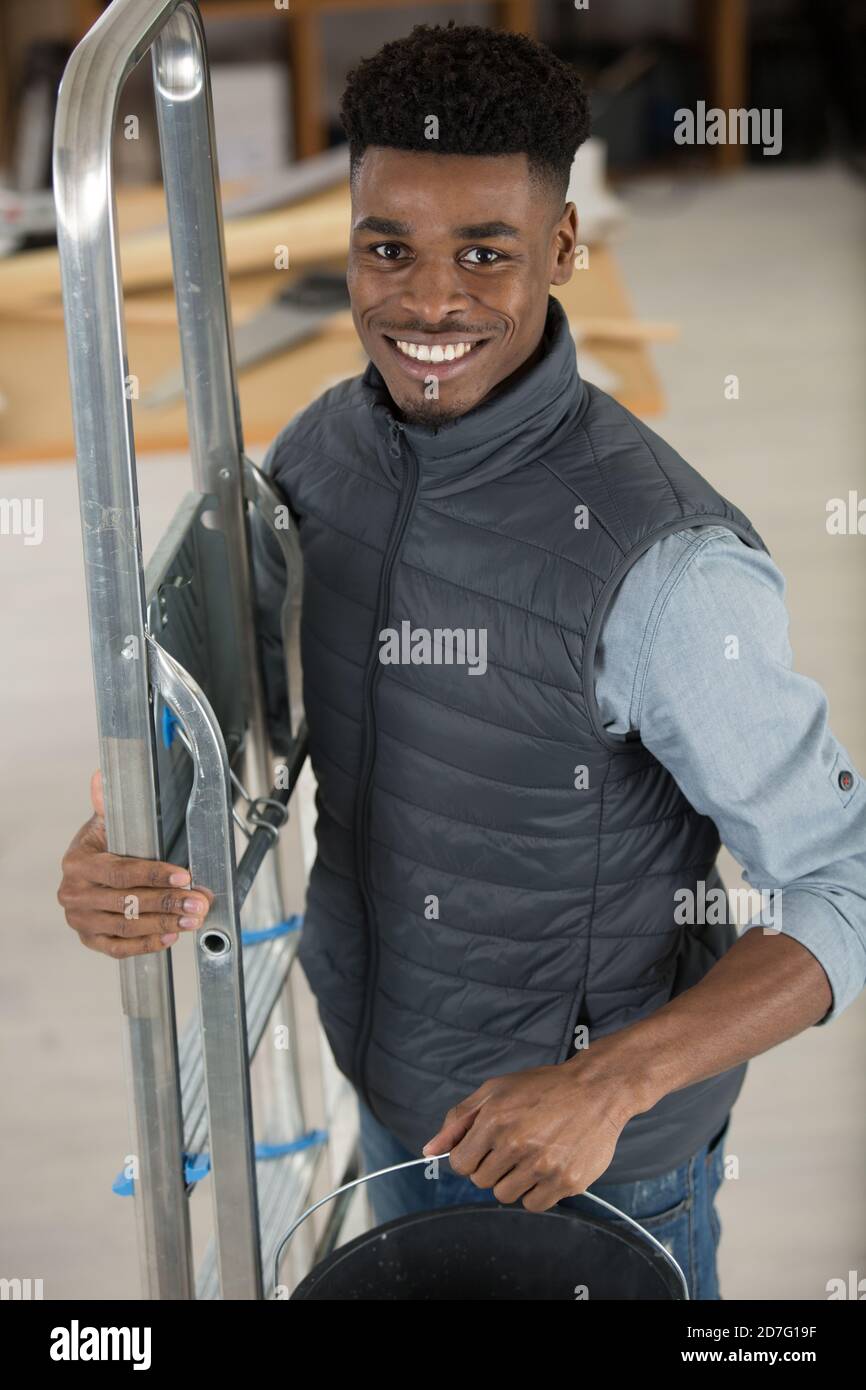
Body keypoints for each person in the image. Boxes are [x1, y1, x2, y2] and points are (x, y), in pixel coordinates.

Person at [57, 24, 866, 1300]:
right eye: (390, 249)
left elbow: (844, 878)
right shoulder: (327, 450)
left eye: (483, 254)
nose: (428, 303)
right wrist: (127, 847)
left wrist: (611, 1083)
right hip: (389, 1101)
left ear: (559, 249)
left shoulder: (667, 565)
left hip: (592, 1164)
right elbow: (243, 709)